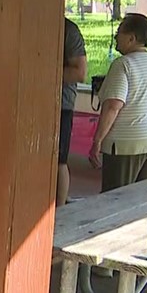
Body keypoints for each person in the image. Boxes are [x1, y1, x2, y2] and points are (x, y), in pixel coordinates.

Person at [89, 13, 147, 193]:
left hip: (129, 142)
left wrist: (97, 141)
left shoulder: (123, 64)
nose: (115, 37)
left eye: (119, 32)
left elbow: (113, 106)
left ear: (131, 38)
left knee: (116, 198)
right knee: (143, 197)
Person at [58, 18, 88, 207]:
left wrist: (41, 72)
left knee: (58, 160)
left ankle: (60, 211)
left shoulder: (69, 30)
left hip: (60, 105)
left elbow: (79, 72)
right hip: (25, 102)